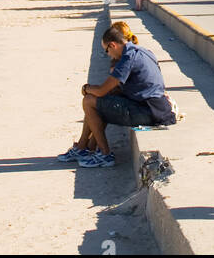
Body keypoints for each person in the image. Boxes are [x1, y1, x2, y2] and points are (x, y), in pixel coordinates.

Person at [57, 21, 182, 166]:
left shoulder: (127, 58)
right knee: (101, 101)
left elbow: (102, 90)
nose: (109, 55)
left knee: (89, 101)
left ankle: (105, 155)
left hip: (149, 111)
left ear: (113, 45)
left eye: (107, 51)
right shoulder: (143, 51)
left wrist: (86, 88)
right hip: (157, 108)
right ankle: (84, 147)